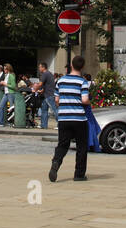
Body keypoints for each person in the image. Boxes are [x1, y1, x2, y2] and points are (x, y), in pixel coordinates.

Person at [49, 54, 92, 183]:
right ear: (82, 67)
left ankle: (56, 162)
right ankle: (79, 174)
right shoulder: (83, 82)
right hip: (79, 119)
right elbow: (84, 100)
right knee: (81, 147)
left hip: (64, 118)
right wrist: (89, 103)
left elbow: (56, 100)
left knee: (62, 144)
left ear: (71, 65)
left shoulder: (61, 81)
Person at [36, 61, 58, 129]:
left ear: (43, 67)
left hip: (49, 95)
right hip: (46, 95)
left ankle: (60, 124)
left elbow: (40, 84)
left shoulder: (45, 74)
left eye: (40, 67)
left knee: (55, 110)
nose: (39, 68)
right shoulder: (49, 74)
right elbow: (47, 85)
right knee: (44, 110)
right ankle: (43, 125)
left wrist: (34, 89)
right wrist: (42, 90)